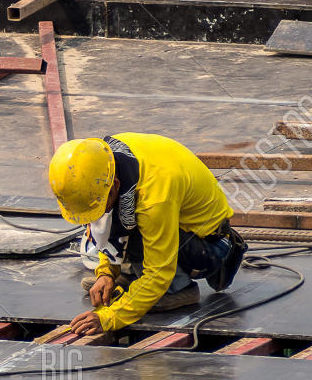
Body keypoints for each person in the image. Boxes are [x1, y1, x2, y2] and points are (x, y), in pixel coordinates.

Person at [48, 134, 247, 337]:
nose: (97, 215)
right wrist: (107, 272)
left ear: (115, 185)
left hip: (210, 247)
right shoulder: (103, 159)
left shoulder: (153, 198)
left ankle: (180, 288)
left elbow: (158, 272)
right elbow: (106, 226)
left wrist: (109, 317)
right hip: (173, 225)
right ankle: (132, 278)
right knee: (123, 216)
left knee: (137, 225)